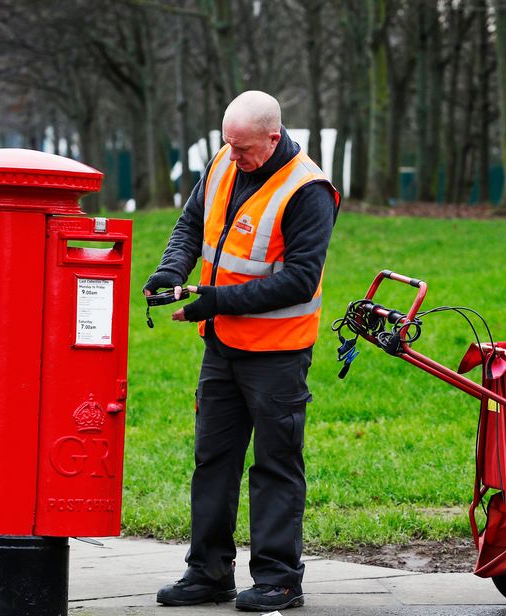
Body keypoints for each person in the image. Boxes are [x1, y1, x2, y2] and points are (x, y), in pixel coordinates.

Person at [146, 90, 339, 612]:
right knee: (213, 461)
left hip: (278, 351)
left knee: (276, 465)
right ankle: (207, 572)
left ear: (273, 138)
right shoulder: (224, 159)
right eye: (228, 146)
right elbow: (190, 225)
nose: (235, 158)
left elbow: (299, 280)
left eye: (245, 149)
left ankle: (279, 580)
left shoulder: (309, 190)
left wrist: (214, 302)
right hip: (223, 345)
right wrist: (171, 271)